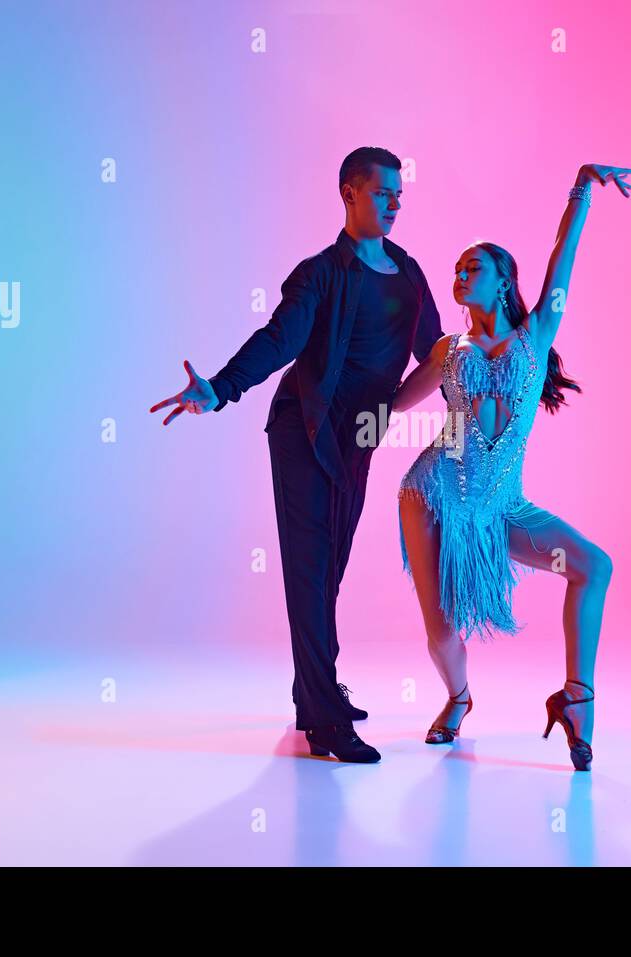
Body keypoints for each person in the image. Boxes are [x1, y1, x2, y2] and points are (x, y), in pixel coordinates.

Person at [150, 147, 443, 763]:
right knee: (309, 570)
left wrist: (498, 370)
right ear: (349, 193)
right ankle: (324, 722)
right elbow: (278, 340)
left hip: (361, 433)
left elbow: (435, 353)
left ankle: (313, 689)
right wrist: (219, 388)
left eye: (400, 194)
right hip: (304, 432)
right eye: (382, 192)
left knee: (329, 568)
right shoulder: (319, 274)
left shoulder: (409, 274)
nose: (394, 203)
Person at [392, 163, 631, 771]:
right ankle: (459, 698)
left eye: (472, 267)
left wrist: (581, 188)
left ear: (504, 280)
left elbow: (562, 260)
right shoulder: (448, 350)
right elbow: (388, 406)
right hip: (432, 494)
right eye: (456, 270)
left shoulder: (536, 335)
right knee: (441, 630)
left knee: (594, 566)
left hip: (503, 506)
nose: (459, 276)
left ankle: (577, 698)